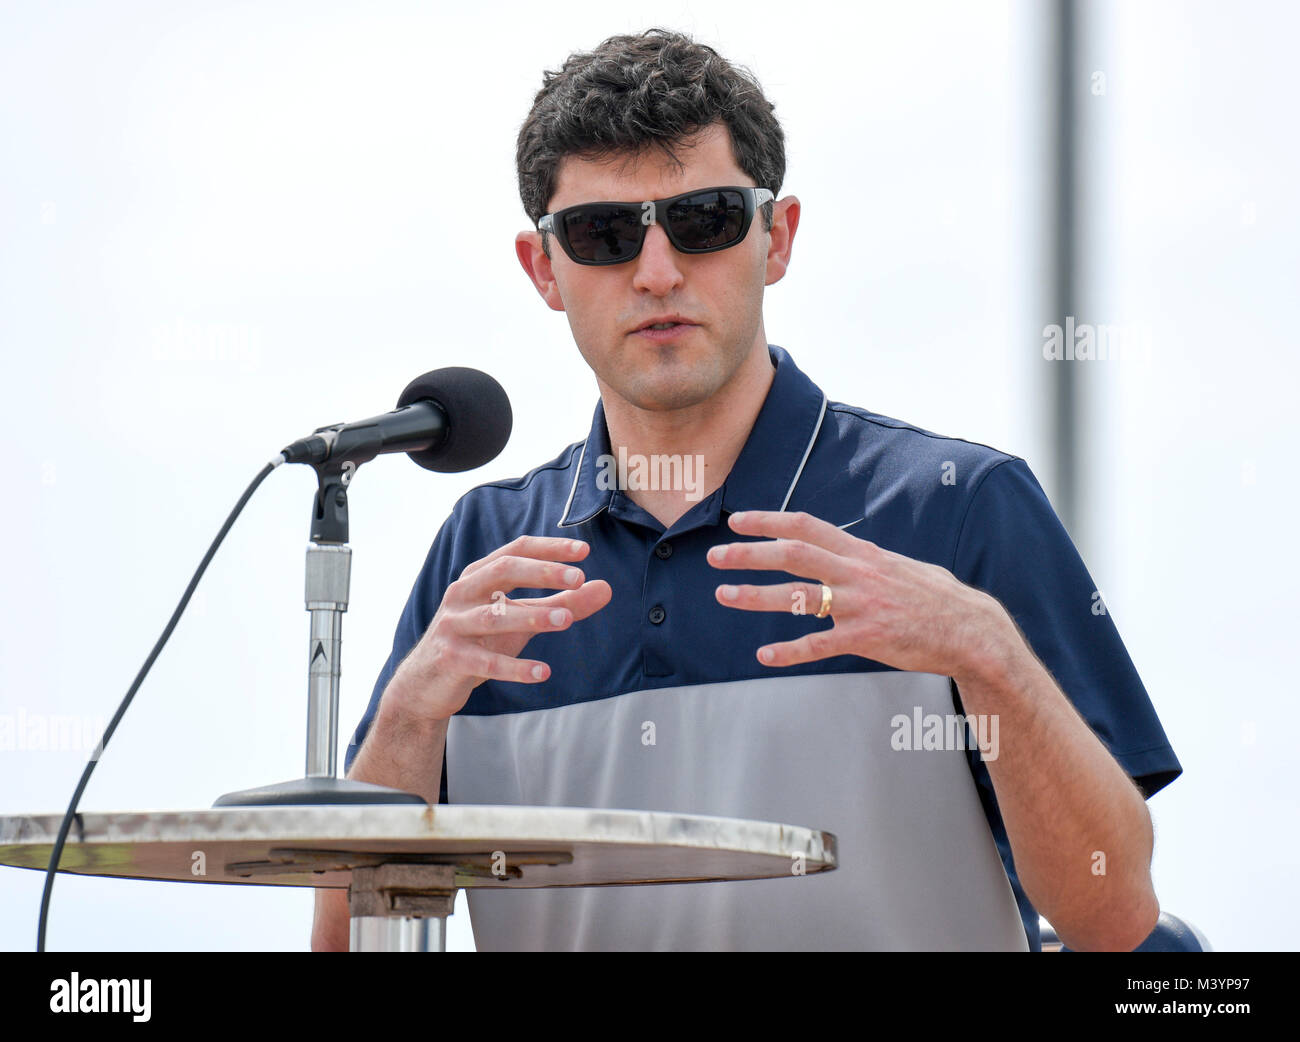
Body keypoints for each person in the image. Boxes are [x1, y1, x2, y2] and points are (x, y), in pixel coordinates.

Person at [311, 27, 1181, 952]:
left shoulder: (957, 508)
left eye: (705, 219)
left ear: (778, 238)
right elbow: (346, 947)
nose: (657, 272)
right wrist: (408, 715)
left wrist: (987, 653)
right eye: (603, 233)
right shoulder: (485, 552)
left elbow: (1114, 917)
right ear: (544, 270)